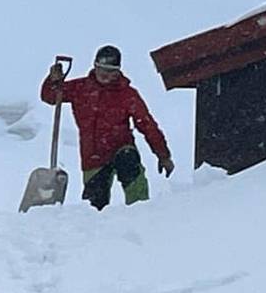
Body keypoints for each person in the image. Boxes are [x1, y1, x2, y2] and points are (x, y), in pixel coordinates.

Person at [41, 45, 173, 210]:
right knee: (94, 206)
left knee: (129, 164)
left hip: (122, 149)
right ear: (95, 66)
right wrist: (52, 80)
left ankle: (141, 211)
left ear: (118, 72)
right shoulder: (80, 89)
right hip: (93, 156)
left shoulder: (127, 94)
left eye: (111, 71)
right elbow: (50, 96)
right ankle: (97, 230)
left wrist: (163, 155)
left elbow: (147, 125)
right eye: (102, 69)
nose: (105, 75)